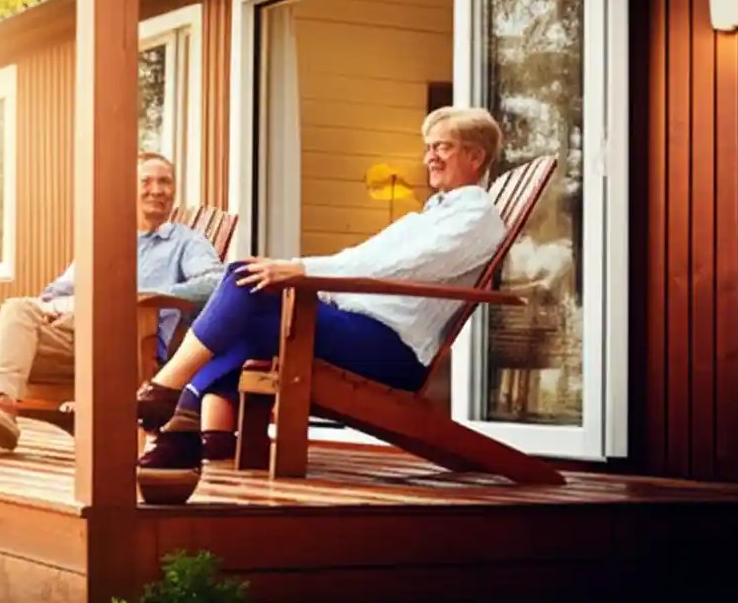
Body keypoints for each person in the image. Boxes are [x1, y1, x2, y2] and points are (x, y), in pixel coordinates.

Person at [133, 106, 509, 492]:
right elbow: (367, 260)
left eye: (442, 147)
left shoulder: (474, 218)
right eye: (428, 146)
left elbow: (393, 265)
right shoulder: (433, 215)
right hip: (361, 327)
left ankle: (163, 396)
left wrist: (300, 270)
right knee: (249, 292)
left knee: (244, 281)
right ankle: (183, 423)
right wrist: (294, 271)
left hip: (392, 349)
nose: (429, 156)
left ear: (475, 156)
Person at [0, 151, 224, 453]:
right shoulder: (105, 242)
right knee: (17, 309)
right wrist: (58, 306)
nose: (157, 189)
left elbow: (214, 283)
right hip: (72, 340)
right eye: (146, 181)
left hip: (126, 346)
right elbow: (53, 294)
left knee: (12, 320)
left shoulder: (185, 241)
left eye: (165, 182)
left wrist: (131, 300)